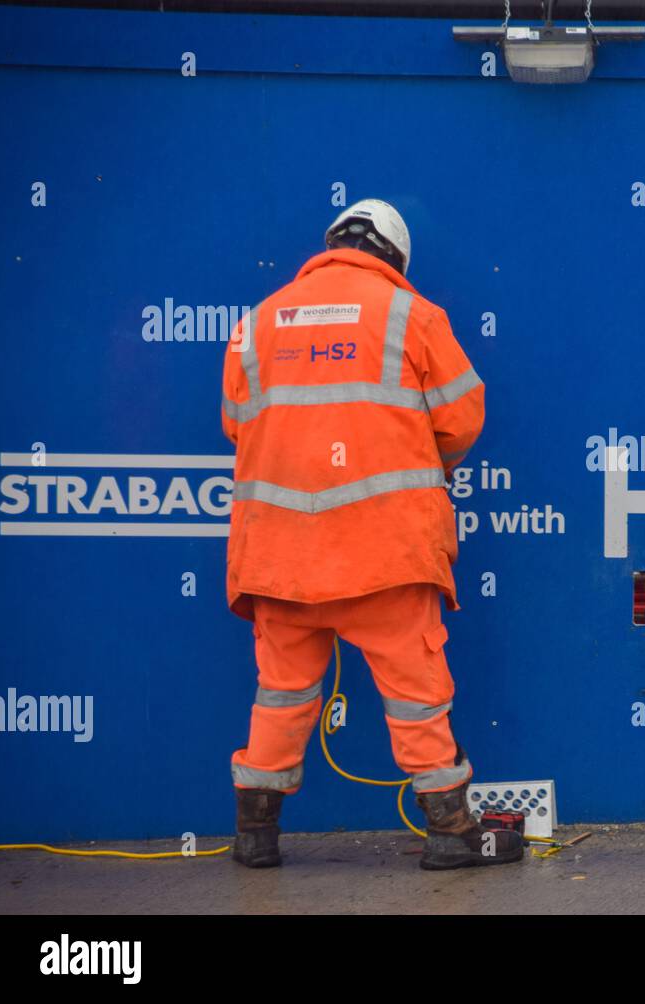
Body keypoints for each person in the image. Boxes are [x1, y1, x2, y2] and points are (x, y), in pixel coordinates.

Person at [220, 198, 521, 871]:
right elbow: (461, 417)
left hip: (281, 557)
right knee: (417, 693)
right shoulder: (413, 315)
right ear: (395, 257)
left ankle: (255, 835)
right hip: (382, 552)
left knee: (281, 694)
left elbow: (239, 424)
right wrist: (409, 462)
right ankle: (449, 831)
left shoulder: (259, 322)